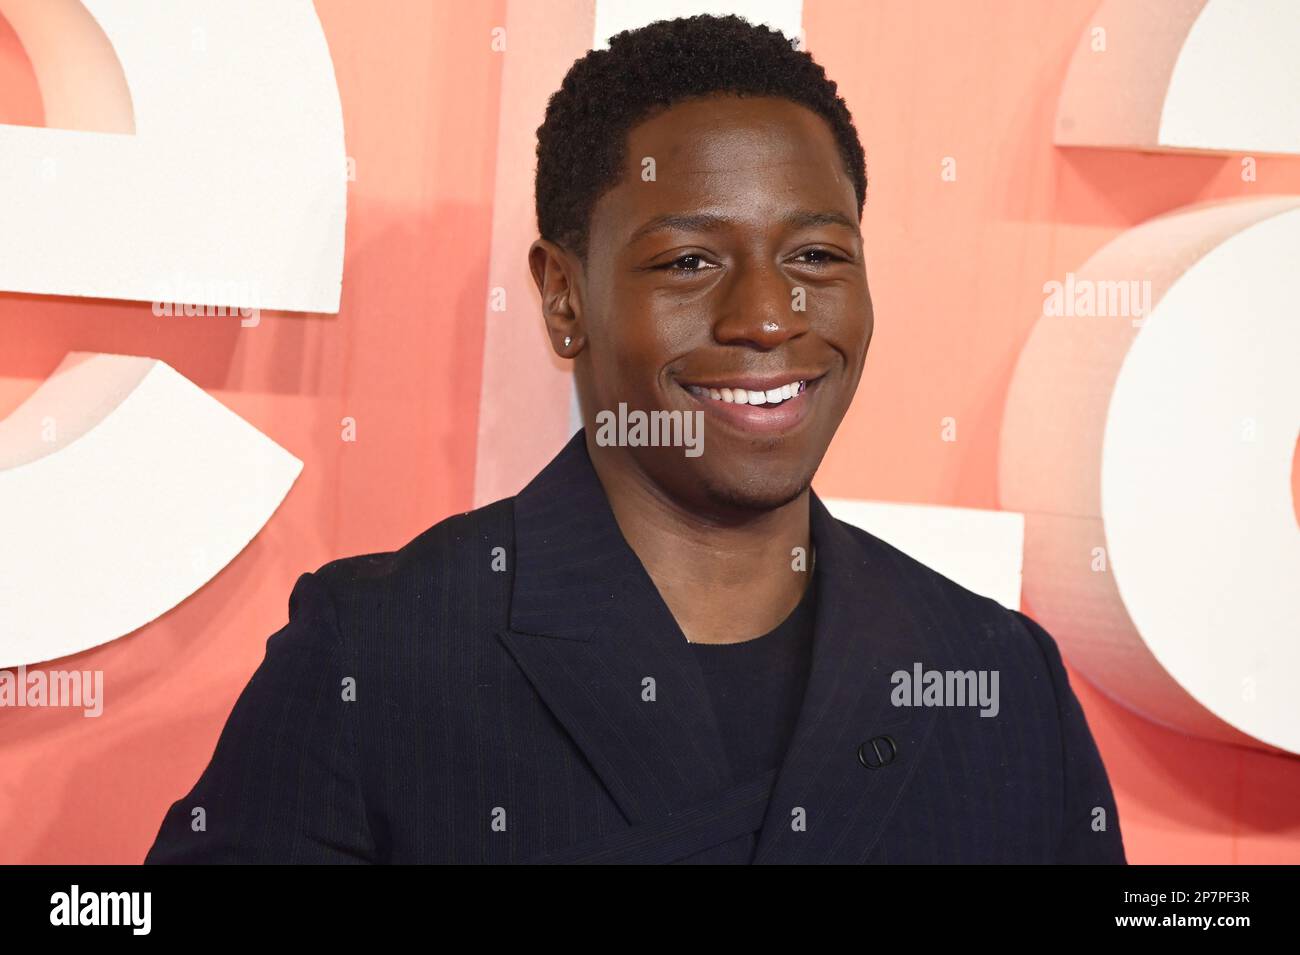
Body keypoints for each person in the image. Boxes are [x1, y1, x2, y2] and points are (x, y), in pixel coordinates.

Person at [145, 13, 1125, 864]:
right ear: (564, 298)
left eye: (816, 255)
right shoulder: (381, 656)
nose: (768, 315)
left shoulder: (997, 676)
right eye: (691, 259)